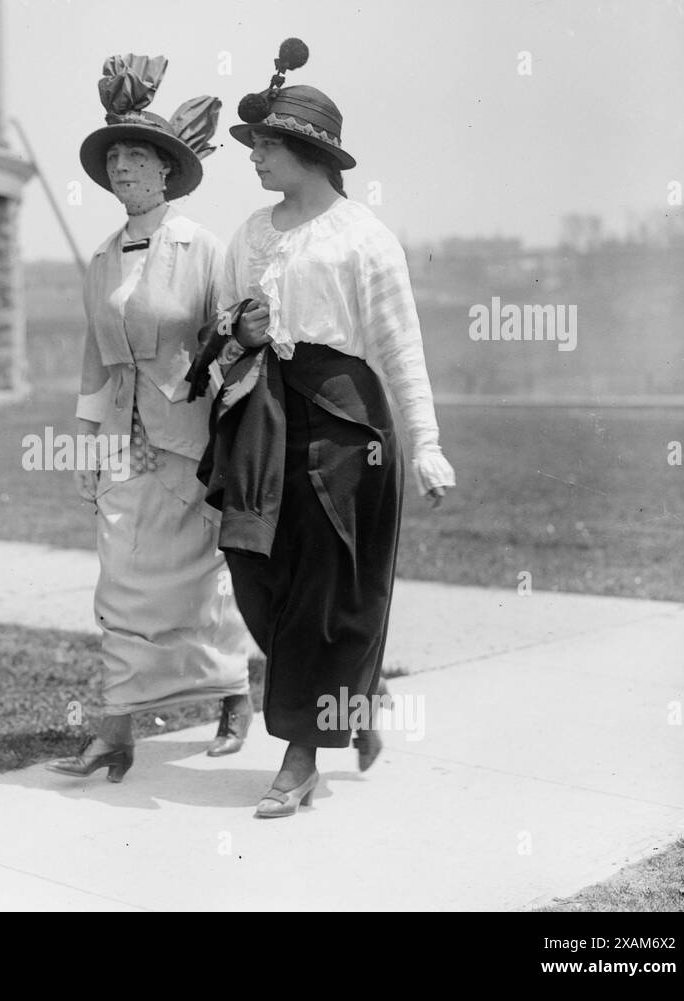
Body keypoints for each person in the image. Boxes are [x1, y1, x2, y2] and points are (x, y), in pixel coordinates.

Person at [199, 38, 456, 817]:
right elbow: (224, 326)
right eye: (253, 145)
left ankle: (301, 756)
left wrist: (429, 446)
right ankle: (347, 702)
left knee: (321, 583)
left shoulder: (363, 239)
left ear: (310, 152)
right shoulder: (249, 233)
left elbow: (398, 349)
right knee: (250, 568)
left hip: (344, 426)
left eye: (267, 146)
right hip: (260, 418)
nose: (255, 158)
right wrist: (236, 336)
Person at [46, 54, 254, 784]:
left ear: (169, 170)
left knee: (202, 574)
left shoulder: (205, 249)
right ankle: (115, 729)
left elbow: (231, 338)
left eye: (140, 156)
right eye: (116, 159)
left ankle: (232, 691)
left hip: (189, 439)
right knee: (118, 579)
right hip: (118, 442)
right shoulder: (103, 259)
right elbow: (94, 365)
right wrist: (82, 447)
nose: (125, 168)